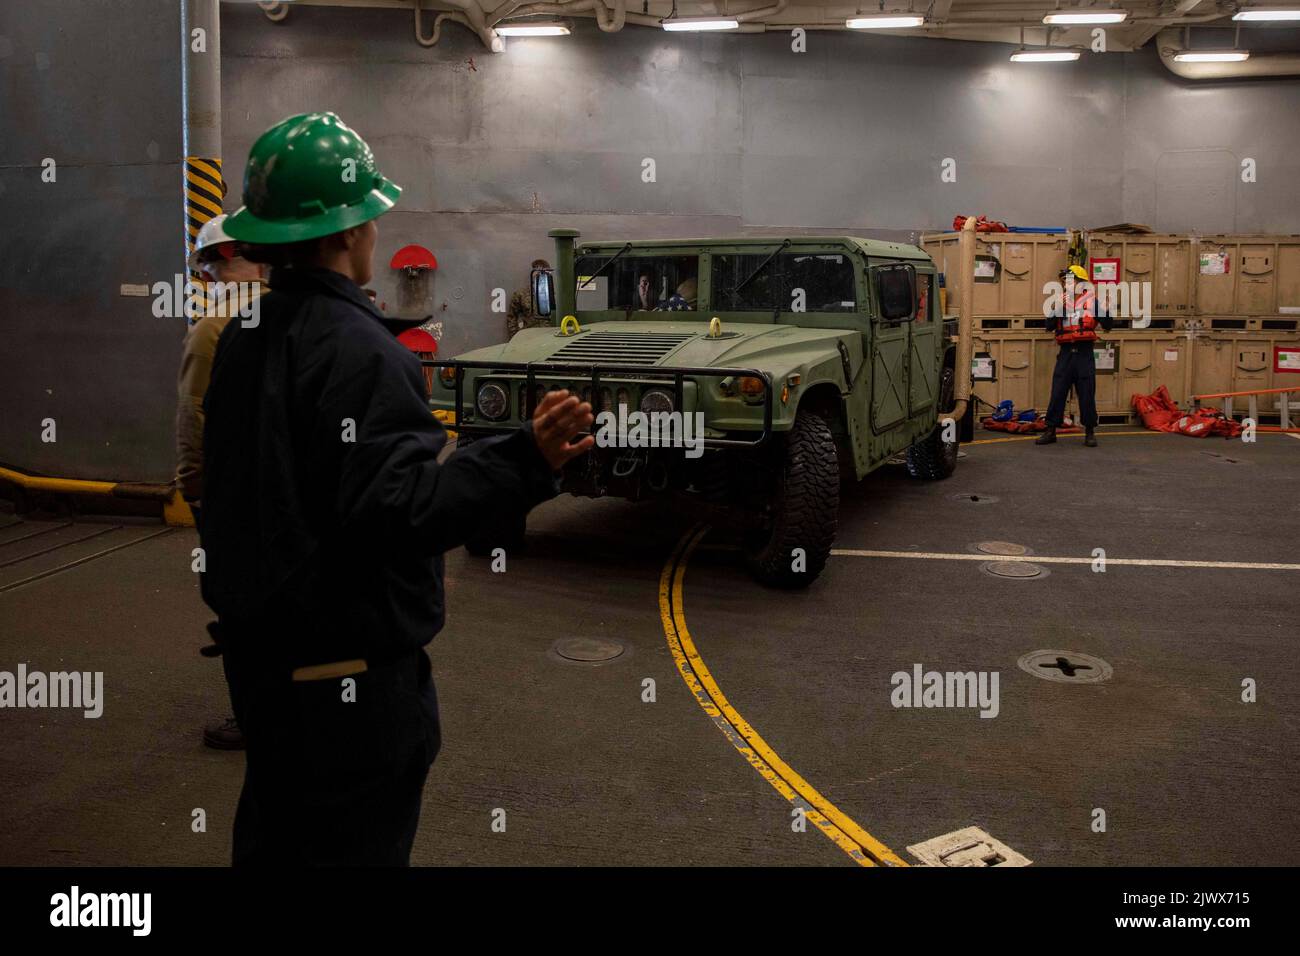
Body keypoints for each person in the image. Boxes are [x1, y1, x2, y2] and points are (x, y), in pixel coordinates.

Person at [205, 112, 594, 866]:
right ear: (353, 233)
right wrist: (527, 458)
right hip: (346, 696)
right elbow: (402, 513)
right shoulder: (359, 350)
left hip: (264, 679)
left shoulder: (244, 338)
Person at [175, 213, 268, 751]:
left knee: (238, 605)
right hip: (295, 491)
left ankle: (254, 717)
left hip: (234, 496)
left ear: (223, 259)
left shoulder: (212, 328)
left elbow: (193, 416)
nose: (205, 279)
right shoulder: (299, 315)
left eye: (205, 267)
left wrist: (193, 487)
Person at [1036, 264, 1113, 448]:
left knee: (1086, 393)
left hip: (1084, 353)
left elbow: (1108, 324)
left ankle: (1090, 431)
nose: (1066, 285)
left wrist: (1106, 309)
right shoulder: (1060, 301)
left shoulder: (1094, 302)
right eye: (1064, 282)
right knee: (1058, 393)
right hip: (1065, 354)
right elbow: (1048, 326)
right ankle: (1050, 430)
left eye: (1070, 281)